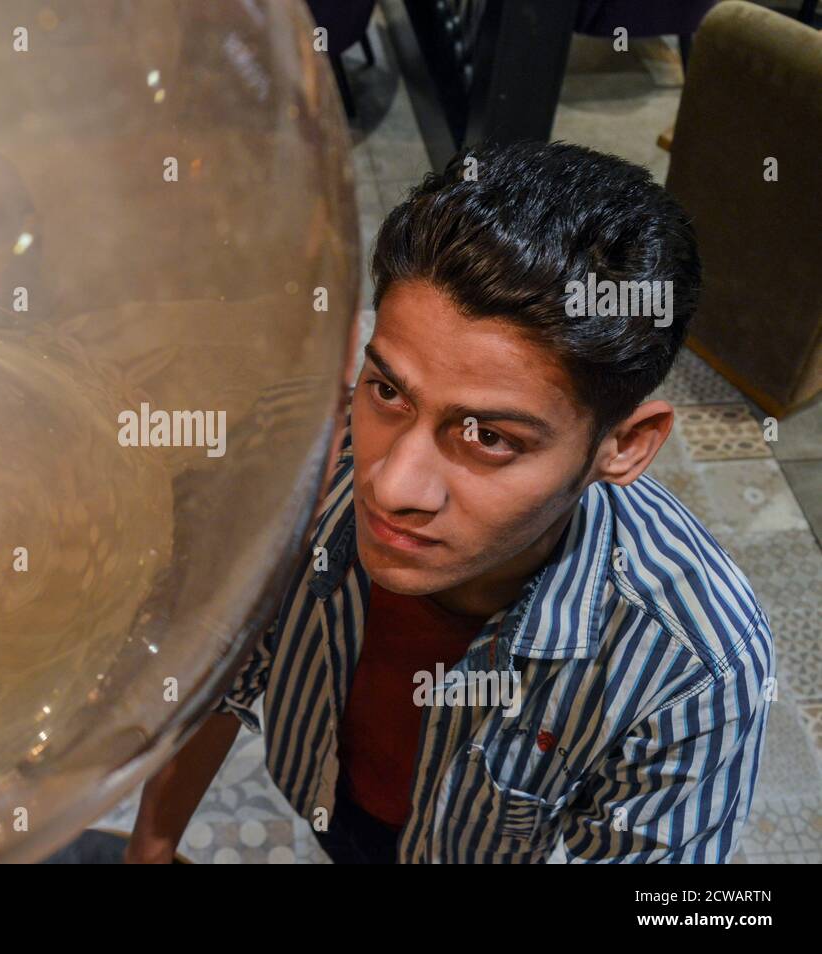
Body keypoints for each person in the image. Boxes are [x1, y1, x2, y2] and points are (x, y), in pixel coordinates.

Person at [125, 140, 774, 864]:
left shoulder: (691, 666)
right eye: (389, 392)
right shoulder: (293, 463)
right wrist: (149, 851)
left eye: (489, 438)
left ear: (624, 447)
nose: (391, 486)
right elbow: (213, 680)